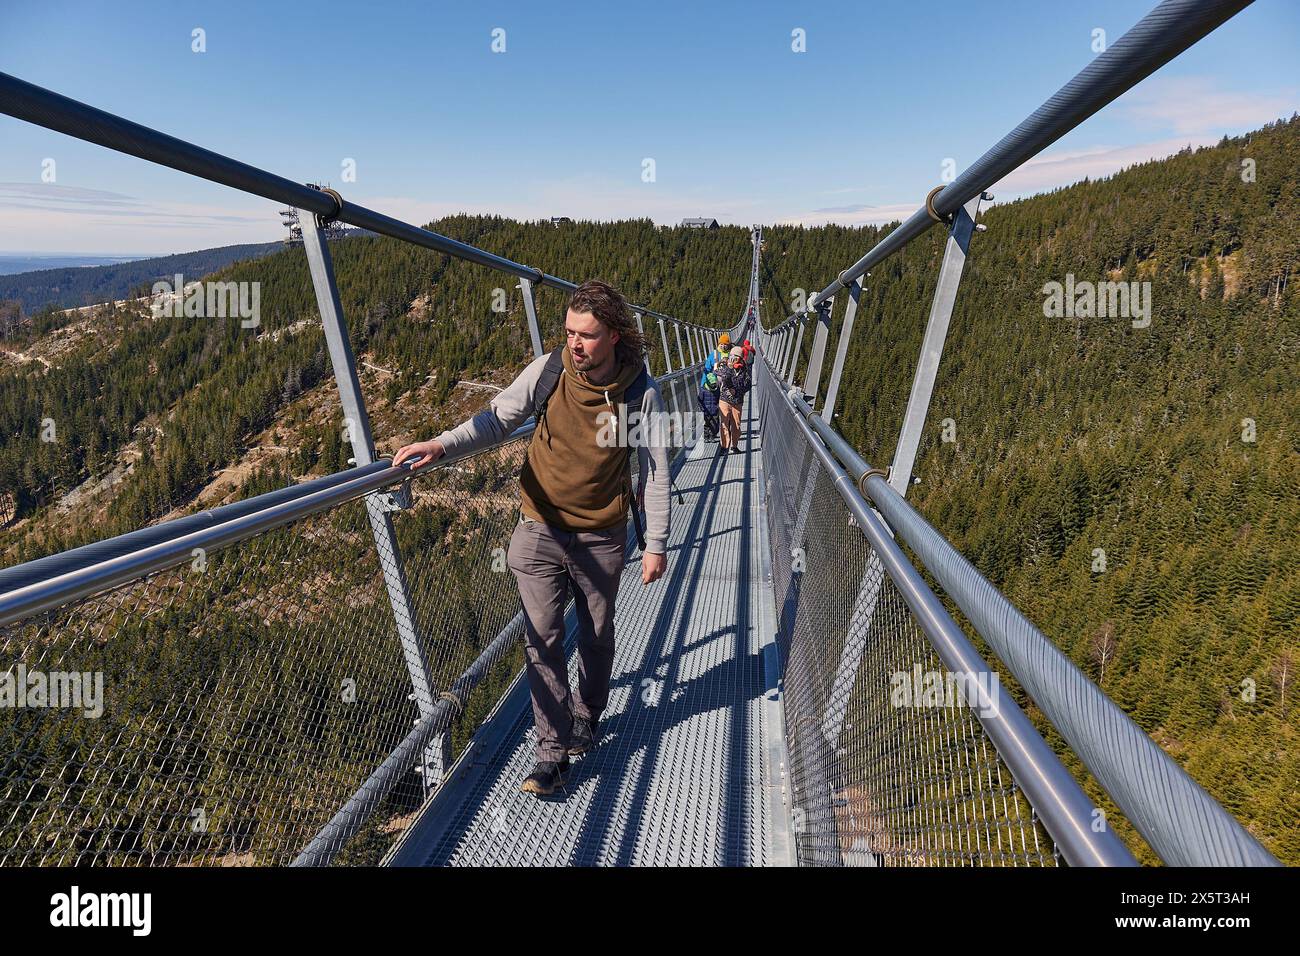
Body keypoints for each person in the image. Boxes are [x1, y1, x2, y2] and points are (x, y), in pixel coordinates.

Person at [393, 280, 671, 796]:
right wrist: (441, 445)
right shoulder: (548, 372)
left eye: (586, 335)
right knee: (541, 638)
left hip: (601, 534)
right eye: (568, 332)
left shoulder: (638, 394)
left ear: (614, 335)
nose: (575, 344)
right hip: (538, 527)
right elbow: (496, 419)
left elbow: (654, 469)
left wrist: (656, 542)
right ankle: (551, 753)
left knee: (595, 636)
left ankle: (588, 714)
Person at [716, 346, 751, 452]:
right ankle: (724, 447)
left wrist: (737, 390)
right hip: (724, 399)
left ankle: (734, 446)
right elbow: (718, 373)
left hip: (737, 401)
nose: (733, 358)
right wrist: (729, 368)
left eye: (736, 356)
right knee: (724, 423)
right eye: (732, 355)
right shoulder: (725, 365)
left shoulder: (745, 369)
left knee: (736, 425)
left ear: (740, 358)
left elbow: (748, 385)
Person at [698, 367, 721, 442]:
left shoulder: (717, 389)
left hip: (714, 409)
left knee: (714, 424)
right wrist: (702, 408)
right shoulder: (703, 390)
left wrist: (718, 406)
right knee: (706, 424)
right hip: (706, 410)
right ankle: (706, 436)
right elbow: (700, 400)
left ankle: (712, 436)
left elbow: (718, 398)